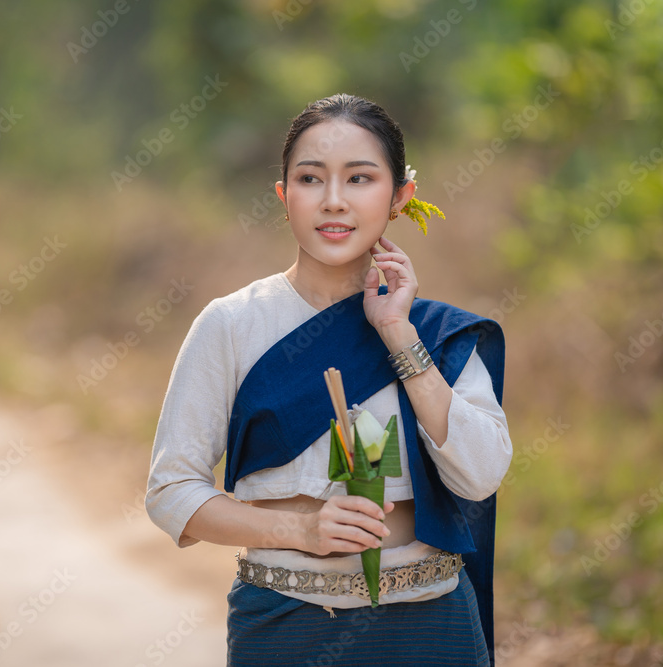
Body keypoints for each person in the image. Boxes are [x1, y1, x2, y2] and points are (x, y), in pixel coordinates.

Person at [145, 93, 512, 666]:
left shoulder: (436, 334)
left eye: (360, 179)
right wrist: (301, 530)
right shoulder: (234, 324)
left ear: (400, 197)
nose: (334, 202)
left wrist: (398, 335)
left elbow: (481, 475)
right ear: (283, 196)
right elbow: (172, 493)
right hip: (284, 621)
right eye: (311, 179)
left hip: (431, 621)